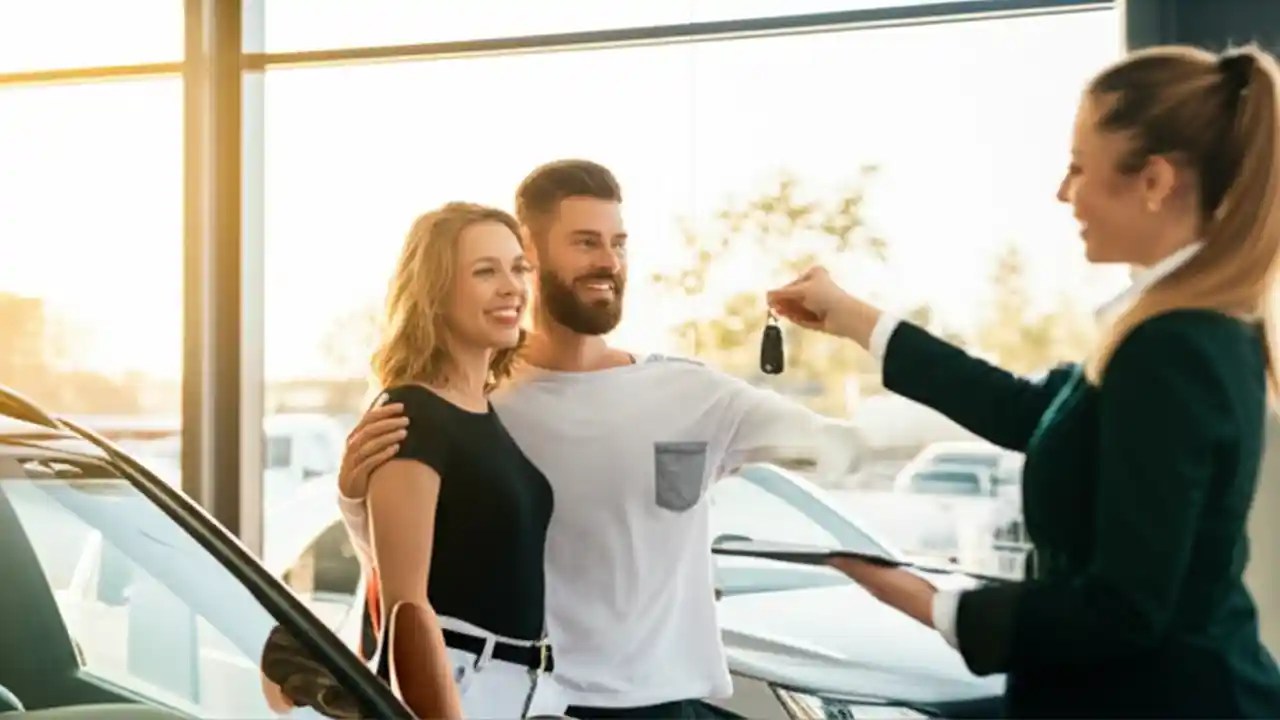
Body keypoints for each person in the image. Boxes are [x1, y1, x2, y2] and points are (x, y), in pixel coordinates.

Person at [766, 44, 1280, 718]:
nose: (1063, 193)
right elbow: (1028, 412)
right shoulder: (1181, 331)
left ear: (1154, 182)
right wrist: (860, 320)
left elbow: (1126, 608)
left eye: (1077, 168)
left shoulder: (1173, 349)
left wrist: (937, 605)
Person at [338, 159, 864, 719]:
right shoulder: (476, 402)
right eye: (586, 242)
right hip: (537, 702)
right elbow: (412, 585)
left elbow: (845, 450)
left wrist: (853, 320)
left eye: (618, 243)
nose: (608, 261)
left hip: (664, 704)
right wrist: (353, 499)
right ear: (532, 257)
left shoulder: (691, 396)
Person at [356, 201, 564, 719]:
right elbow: (406, 610)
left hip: (516, 686)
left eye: (518, 268)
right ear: (436, 292)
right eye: (484, 271)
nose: (511, 286)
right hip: (461, 686)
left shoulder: (485, 412)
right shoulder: (414, 413)